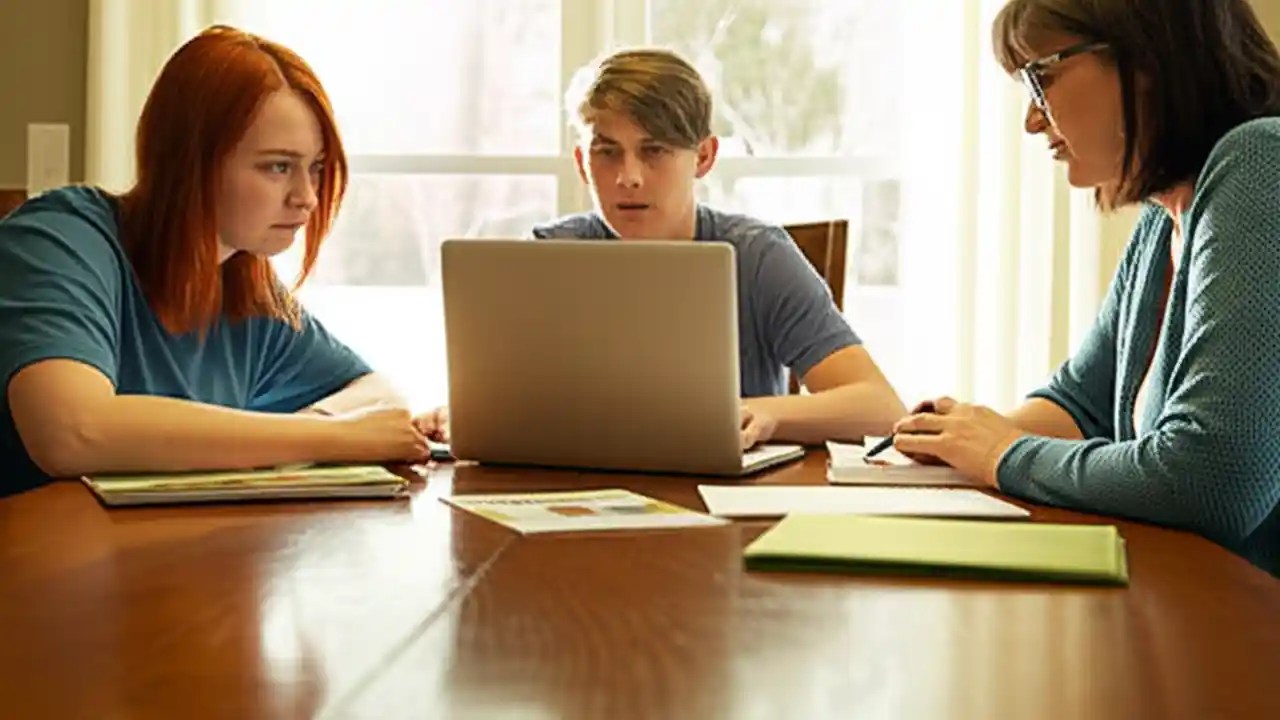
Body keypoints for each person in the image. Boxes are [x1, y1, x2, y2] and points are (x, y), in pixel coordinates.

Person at [892, 0, 1280, 575]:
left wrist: (1001, 452)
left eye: (1040, 76)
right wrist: (957, 440)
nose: (1030, 117)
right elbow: (1083, 405)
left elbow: (1213, 480)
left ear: (1145, 55)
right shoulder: (1166, 214)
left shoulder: (1263, 162)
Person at [0, 25, 429, 496]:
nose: (306, 197)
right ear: (192, 163)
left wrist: (317, 434)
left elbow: (377, 395)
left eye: (317, 168)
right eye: (278, 167)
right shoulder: (60, 239)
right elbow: (72, 432)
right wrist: (336, 438)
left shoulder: (246, 286)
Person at [416, 48, 906, 450]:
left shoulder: (758, 257)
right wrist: (460, 415)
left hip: (729, 508)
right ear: (582, 164)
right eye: (606, 152)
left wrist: (763, 412)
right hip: (577, 499)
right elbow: (501, 404)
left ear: (705, 157)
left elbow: (880, 407)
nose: (628, 176)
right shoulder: (548, 256)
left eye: (655, 151)